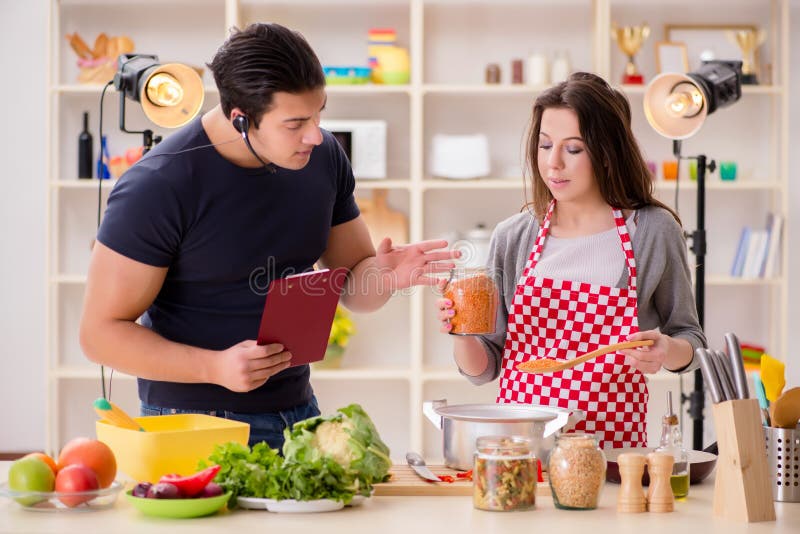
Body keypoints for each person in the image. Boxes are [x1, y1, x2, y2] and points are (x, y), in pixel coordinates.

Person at [79, 23, 457, 449]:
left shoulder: (323, 156)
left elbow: (354, 287)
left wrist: (383, 275)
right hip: (193, 423)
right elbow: (100, 334)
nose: (314, 134)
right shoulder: (160, 185)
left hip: (298, 410)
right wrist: (214, 367)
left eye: (319, 114)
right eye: (295, 123)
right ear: (240, 118)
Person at [436, 72, 706, 449]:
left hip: (611, 452)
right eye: (545, 146)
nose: (553, 164)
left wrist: (667, 351)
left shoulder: (652, 231)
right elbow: (486, 367)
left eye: (573, 149)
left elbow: (691, 341)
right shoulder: (514, 236)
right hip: (523, 451)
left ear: (607, 152)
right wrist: (461, 333)